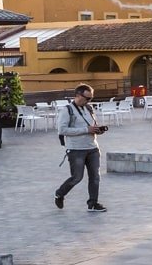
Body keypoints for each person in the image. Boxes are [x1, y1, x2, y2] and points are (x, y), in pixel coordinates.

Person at [53, 84, 108, 213]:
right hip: (76, 149)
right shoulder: (67, 110)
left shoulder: (89, 108)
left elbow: (90, 125)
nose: (89, 101)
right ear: (77, 96)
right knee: (77, 177)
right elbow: (62, 130)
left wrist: (96, 130)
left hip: (93, 147)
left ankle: (93, 204)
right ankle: (59, 193)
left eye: (91, 98)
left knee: (95, 177)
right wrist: (85, 130)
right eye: (87, 98)